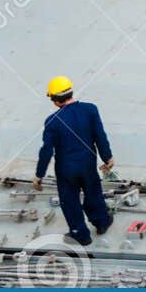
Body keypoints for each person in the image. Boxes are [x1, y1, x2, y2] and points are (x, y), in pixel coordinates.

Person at [33, 76, 115, 246]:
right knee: (93, 192)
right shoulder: (90, 109)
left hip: (65, 169)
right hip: (88, 164)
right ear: (71, 92)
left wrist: (39, 175)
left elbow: (46, 150)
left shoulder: (52, 121)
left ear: (55, 101)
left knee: (69, 200)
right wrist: (107, 157)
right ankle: (102, 222)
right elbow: (100, 135)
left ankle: (80, 234)